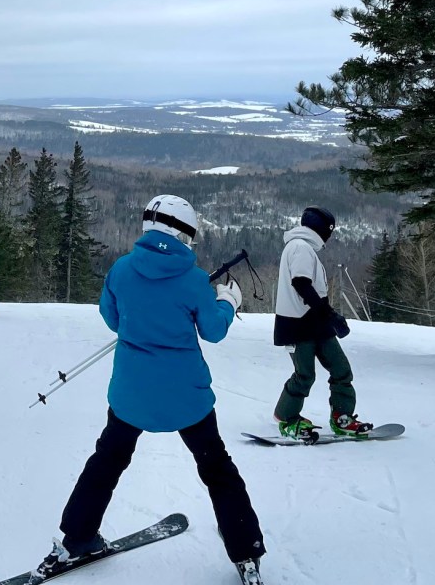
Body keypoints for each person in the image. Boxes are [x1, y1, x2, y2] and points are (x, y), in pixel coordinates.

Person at [47, 194, 267, 585]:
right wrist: (228, 302)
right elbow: (213, 331)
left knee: (107, 461)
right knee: (217, 469)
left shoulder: (121, 269)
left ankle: (77, 538)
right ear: (184, 234)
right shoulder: (195, 280)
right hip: (187, 399)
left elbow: (112, 319)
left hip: (131, 396)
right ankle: (245, 551)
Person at [273, 206, 371, 440]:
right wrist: (330, 314)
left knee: (340, 369)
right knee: (304, 375)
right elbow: (301, 283)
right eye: (329, 231)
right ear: (320, 229)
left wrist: (327, 316)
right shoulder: (300, 247)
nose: (330, 235)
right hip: (297, 324)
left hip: (315, 323)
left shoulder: (304, 247)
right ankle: (287, 417)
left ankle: (342, 416)